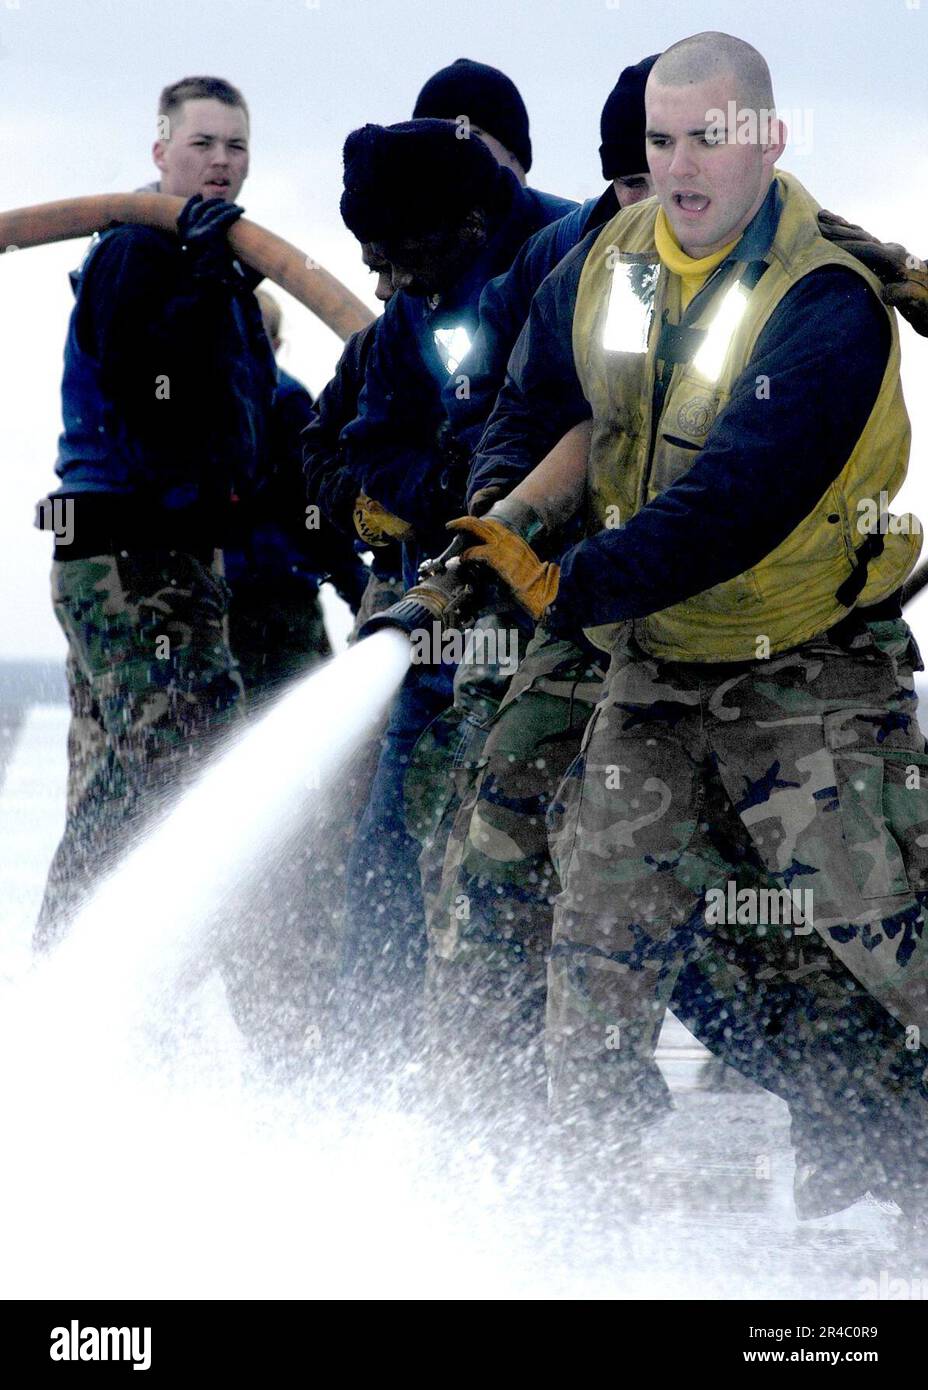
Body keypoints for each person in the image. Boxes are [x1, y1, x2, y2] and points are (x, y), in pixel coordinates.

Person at [444, 32, 928, 1225]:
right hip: (651, 673)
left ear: (766, 136)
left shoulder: (825, 302)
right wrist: (494, 527)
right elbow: (535, 405)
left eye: (706, 137)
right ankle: (586, 1240)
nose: (678, 167)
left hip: (808, 673)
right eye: (660, 141)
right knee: (594, 965)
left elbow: (734, 505)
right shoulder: (604, 261)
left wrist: (562, 589)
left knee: (892, 940)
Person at [326, 117, 574, 1054]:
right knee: (390, 863)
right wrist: (434, 501)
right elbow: (360, 444)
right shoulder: (408, 314)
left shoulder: (568, 258)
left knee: (534, 880)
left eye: (398, 255)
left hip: (562, 635)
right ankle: (365, 1089)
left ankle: (537, 1098)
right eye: (371, 257)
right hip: (440, 632)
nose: (385, 280)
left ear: (469, 223)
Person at [34, 75, 277, 950]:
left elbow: (247, 426)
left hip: (145, 560)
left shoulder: (210, 260)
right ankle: (88, 992)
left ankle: (67, 993)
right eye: (202, 143)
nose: (219, 161)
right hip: (132, 554)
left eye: (235, 146)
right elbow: (152, 401)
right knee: (194, 785)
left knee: (119, 789)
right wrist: (206, 281)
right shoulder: (141, 250)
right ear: (161, 150)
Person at [224, 288, 368, 705]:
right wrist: (352, 579)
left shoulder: (207, 400)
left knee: (232, 717)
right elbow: (308, 502)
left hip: (220, 594)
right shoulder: (286, 399)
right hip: (277, 595)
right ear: (276, 343)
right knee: (309, 710)